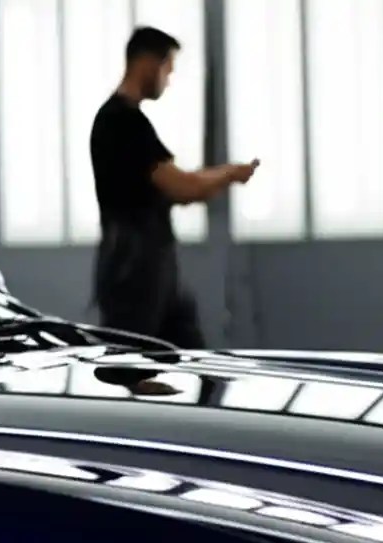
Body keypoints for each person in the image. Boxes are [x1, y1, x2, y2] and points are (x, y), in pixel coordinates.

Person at [90, 26, 258, 349]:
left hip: (147, 265)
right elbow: (183, 187)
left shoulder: (123, 122)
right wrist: (230, 174)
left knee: (184, 353)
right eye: (167, 69)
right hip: (134, 268)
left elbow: (174, 190)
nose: (167, 80)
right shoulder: (122, 123)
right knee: (136, 365)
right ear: (148, 63)